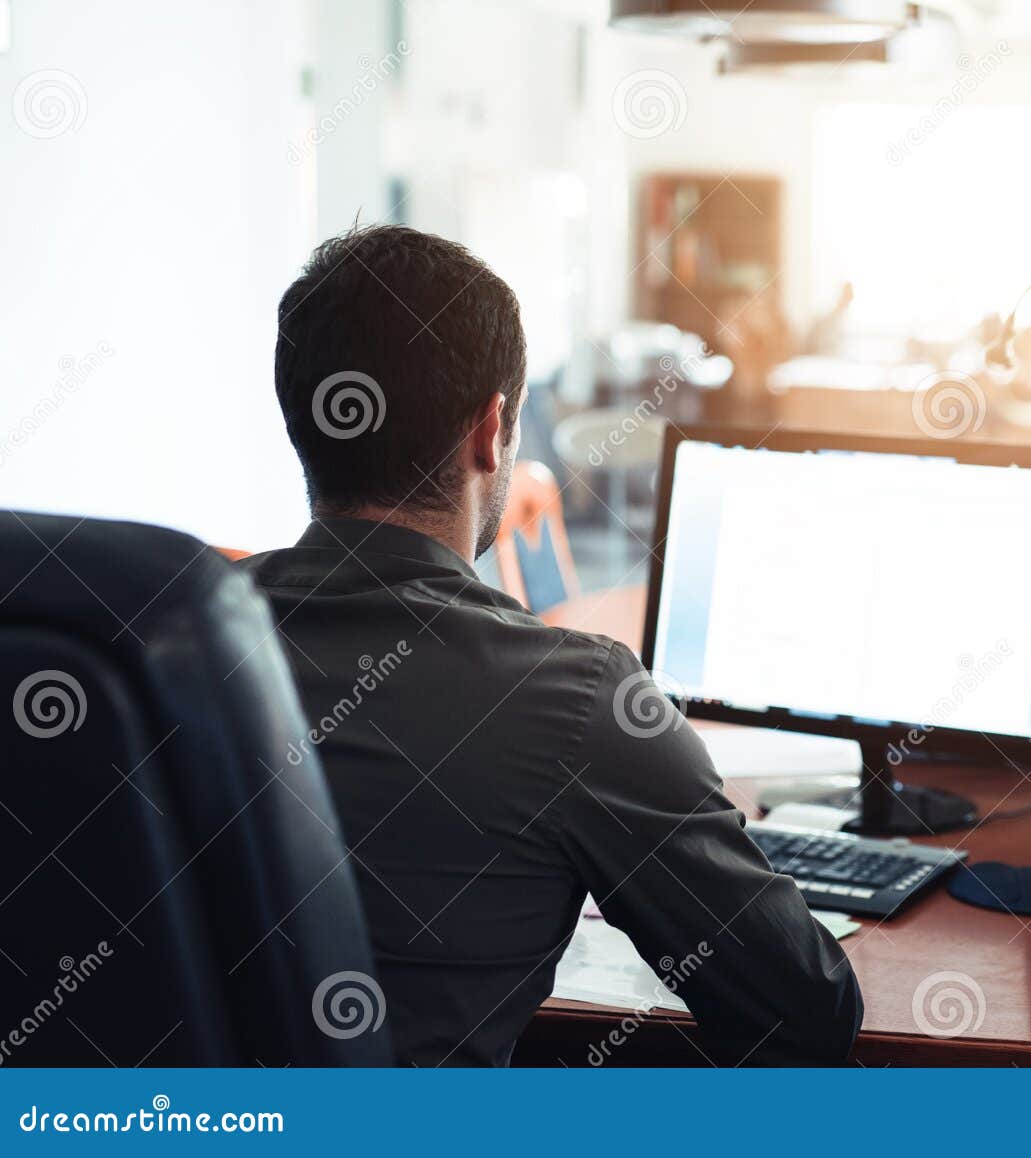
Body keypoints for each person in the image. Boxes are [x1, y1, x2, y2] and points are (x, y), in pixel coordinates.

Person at [240, 225, 862, 1066]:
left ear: (300, 422)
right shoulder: (578, 699)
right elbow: (807, 1008)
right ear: (492, 430)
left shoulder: (161, 645)